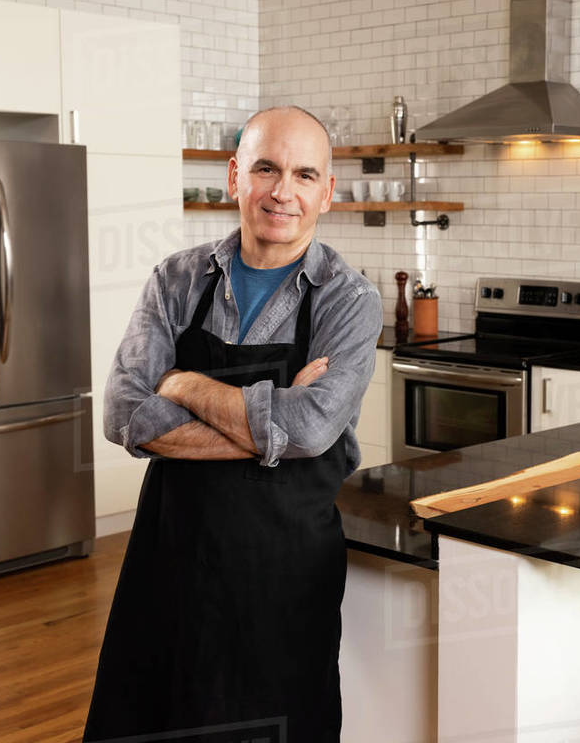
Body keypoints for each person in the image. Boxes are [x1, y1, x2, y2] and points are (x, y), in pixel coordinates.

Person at [83, 106, 382, 743]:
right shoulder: (176, 279)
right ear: (234, 177)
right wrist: (269, 418)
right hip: (172, 558)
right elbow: (123, 414)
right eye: (266, 168)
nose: (283, 191)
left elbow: (312, 429)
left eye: (304, 175)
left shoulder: (347, 299)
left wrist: (186, 385)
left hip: (283, 572)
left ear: (327, 193)